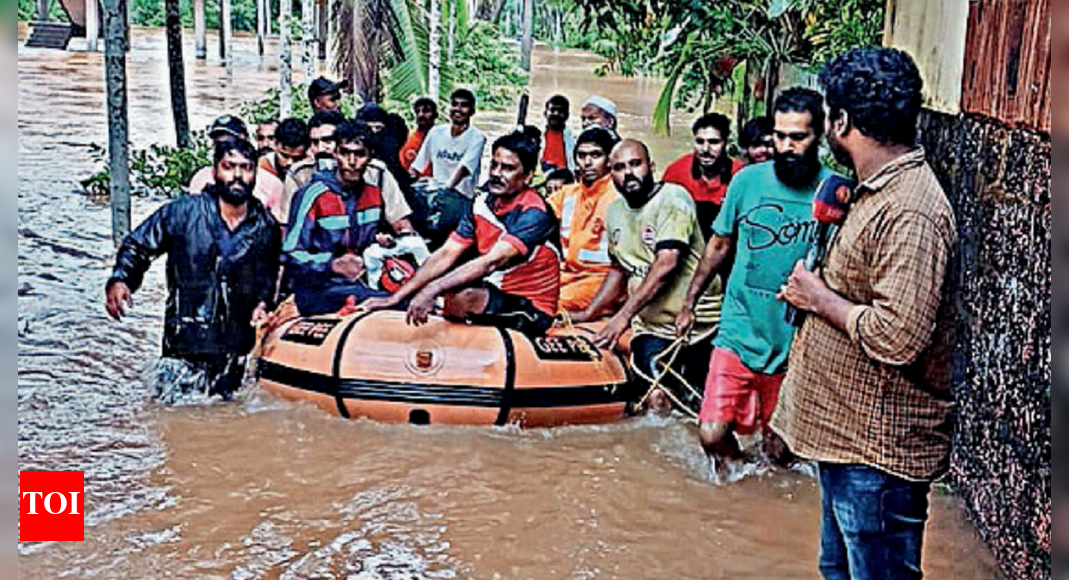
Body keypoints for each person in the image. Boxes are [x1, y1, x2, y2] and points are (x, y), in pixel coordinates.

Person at [774, 49, 958, 580]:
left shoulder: (912, 210)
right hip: (845, 441)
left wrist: (820, 299)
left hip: (877, 458)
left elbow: (898, 337)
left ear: (842, 123)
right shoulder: (872, 191)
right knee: (836, 570)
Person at [676, 88, 837, 478]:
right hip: (739, 326)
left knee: (780, 452)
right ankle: (738, 487)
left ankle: (764, 487)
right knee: (711, 434)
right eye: (780, 136)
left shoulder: (834, 190)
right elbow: (719, 244)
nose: (786, 146)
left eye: (797, 137)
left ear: (821, 134)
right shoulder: (746, 181)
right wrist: (689, 302)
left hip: (794, 340)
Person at [106, 139, 281, 400]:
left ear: (255, 174)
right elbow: (139, 245)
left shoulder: (266, 227)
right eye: (228, 166)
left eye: (245, 168)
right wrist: (121, 280)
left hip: (233, 349)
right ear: (214, 172)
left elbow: (268, 278)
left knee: (226, 418)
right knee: (176, 420)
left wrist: (263, 304)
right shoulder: (183, 212)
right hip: (184, 341)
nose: (237, 175)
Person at [359, 133, 561, 337]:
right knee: (422, 281)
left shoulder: (535, 213)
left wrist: (431, 290)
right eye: (494, 165)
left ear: (527, 176)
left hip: (532, 308)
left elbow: (490, 263)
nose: (497, 174)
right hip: (493, 290)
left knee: (462, 297)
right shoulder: (481, 204)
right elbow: (446, 253)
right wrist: (393, 299)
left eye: (508, 168)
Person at [581, 140, 723, 409]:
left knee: (697, 406)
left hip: (699, 324)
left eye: (636, 164)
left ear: (651, 167)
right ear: (611, 175)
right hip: (650, 326)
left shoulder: (673, 198)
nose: (629, 173)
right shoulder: (613, 212)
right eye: (620, 168)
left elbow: (666, 264)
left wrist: (622, 316)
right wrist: (590, 314)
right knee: (655, 399)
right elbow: (618, 270)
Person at [283, 122, 418, 316]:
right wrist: (331, 264)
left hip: (364, 283)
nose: (352, 161)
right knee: (397, 307)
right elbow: (291, 254)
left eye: (360, 154)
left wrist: (382, 243)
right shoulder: (313, 195)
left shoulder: (373, 194)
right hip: (320, 290)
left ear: (370, 156)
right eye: (345, 153)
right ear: (335, 154)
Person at [546, 127, 621, 316]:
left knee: (550, 304)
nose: (587, 162)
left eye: (595, 155)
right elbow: (537, 212)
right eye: (581, 155)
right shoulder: (567, 194)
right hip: (567, 273)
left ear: (609, 160)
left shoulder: (619, 197)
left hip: (602, 278)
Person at [189, 115, 285, 222]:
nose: (225, 148)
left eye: (230, 141)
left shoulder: (272, 184)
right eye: (219, 143)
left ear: (246, 141)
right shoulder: (200, 178)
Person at [663, 113, 744, 239]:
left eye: (714, 142)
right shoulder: (676, 172)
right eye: (700, 142)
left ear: (726, 143)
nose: (705, 149)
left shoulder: (741, 176)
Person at [409, 89, 487, 198]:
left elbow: (464, 169)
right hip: (435, 194)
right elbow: (418, 165)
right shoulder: (436, 132)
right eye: (454, 104)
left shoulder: (477, 138)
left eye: (464, 105)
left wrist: (444, 189)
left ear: (472, 111)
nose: (458, 109)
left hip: (460, 197)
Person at [280, 111, 347, 229]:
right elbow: (286, 224)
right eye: (315, 142)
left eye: (328, 141)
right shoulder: (299, 174)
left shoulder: (374, 173)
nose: (320, 148)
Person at [400, 97, 439, 172]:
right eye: (418, 111)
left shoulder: (442, 137)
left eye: (426, 111)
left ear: (435, 115)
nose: (421, 115)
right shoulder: (409, 138)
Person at [541, 95, 576, 172]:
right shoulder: (536, 136)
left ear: (567, 116)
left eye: (561, 111)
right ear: (545, 113)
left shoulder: (573, 140)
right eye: (552, 110)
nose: (556, 114)